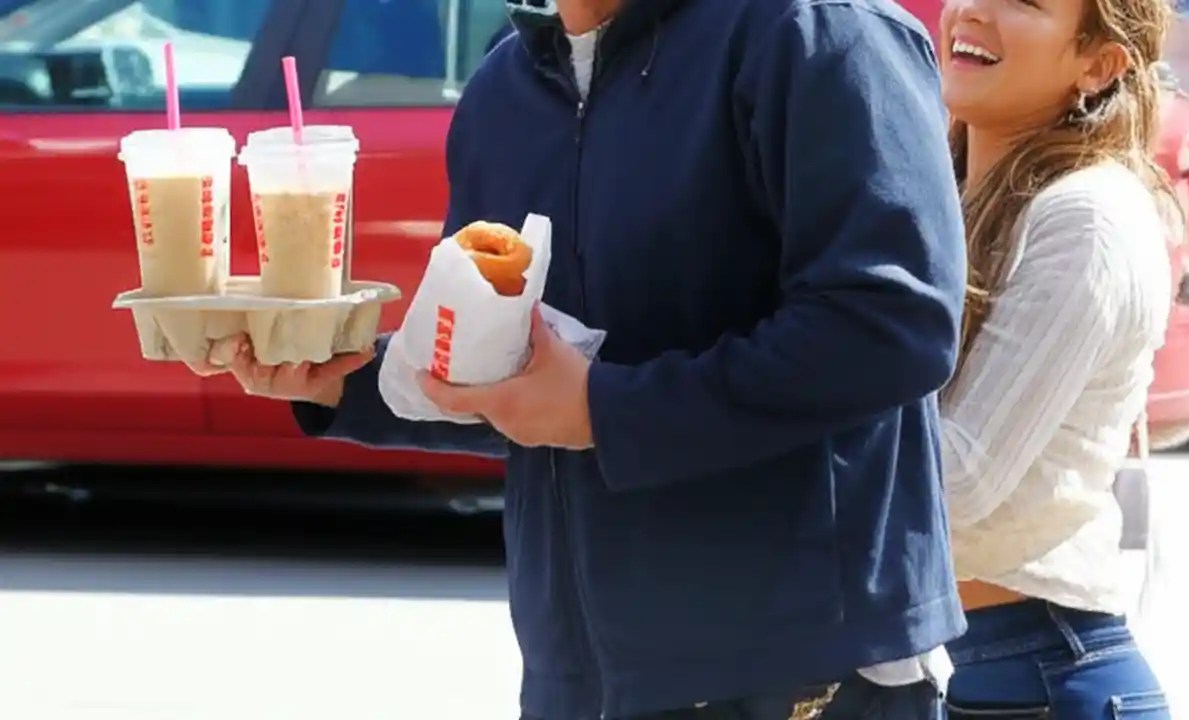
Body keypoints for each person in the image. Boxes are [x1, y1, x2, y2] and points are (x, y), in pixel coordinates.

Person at [194, 0, 968, 717]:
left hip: (800, 669)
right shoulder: (508, 83)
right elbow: (517, 373)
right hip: (579, 675)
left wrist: (605, 410)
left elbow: (891, 325)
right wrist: (345, 381)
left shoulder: (816, 30)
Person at [932, 0, 1177, 717]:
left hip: (1045, 673)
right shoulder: (948, 193)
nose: (973, 10)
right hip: (986, 668)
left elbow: (959, 481)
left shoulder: (1087, 218)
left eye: (1024, 1)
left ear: (1098, 65)